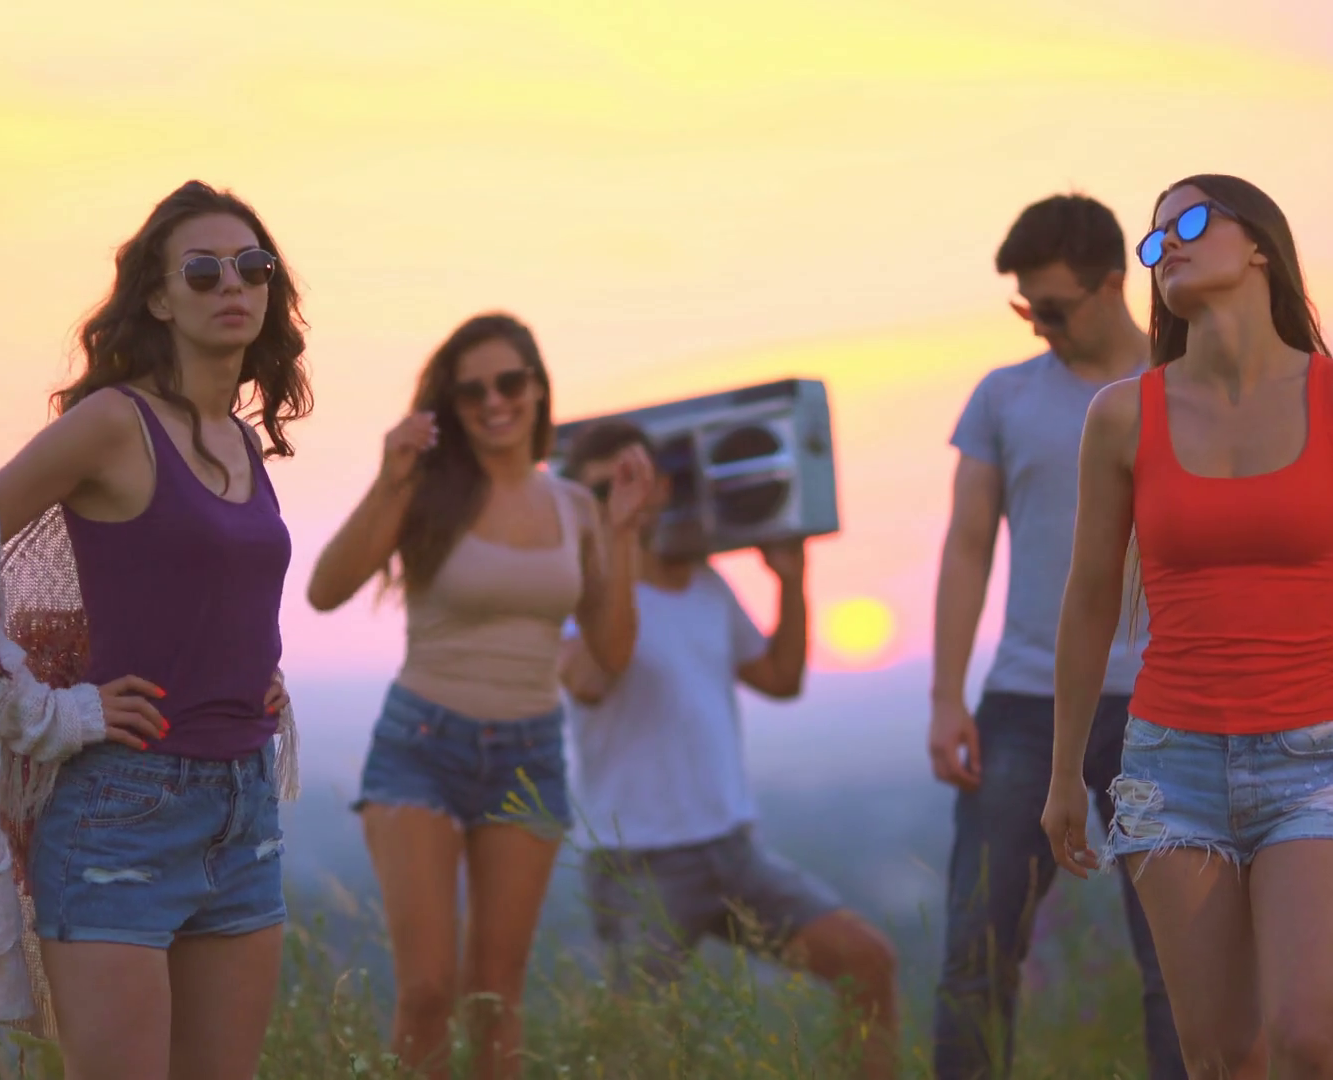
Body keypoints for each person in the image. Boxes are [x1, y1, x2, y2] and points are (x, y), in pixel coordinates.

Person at [0, 180, 309, 1080]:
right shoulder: (115, 424)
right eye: (202, 271)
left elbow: (205, 599)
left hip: (245, 813)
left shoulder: (238, 440)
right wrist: (54, 712)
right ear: (158, 299)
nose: (232, 283)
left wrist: (264, 679)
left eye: (253, 266)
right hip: (123, 816)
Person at [1042, 173, 1333, 1078]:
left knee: (1309, 1037)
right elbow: (1088, 601)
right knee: (1224, 1059)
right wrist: (1066, 769)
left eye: (1187, 222)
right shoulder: (1122, 417)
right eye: (1154, 243)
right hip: (1165, 769)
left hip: (1311, 763)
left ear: (1259, 242)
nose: (1167, 248)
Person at [305, 312, 651, 1080]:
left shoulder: (575, 509)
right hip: (421, 747)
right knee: (427, 991)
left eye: (509, 382)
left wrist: (623, 535)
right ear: (451, 408)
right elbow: (326, 591)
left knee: (497, 997)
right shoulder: (430, 489)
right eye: (472, 392)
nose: (494, 402)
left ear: (537, 389)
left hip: (528, 757)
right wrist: (388, 477)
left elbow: (613, 653)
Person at [556, 419, 902, 1080]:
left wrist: (790, 581)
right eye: (598, 490)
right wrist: (621, 542)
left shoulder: (705, 584)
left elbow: (779, 679)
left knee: (867, 961)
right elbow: (597, 675)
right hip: (638, 866)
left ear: (659, 486)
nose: (616, 499)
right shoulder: (577, 599)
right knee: (643, 1054)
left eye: (629, 481)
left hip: (731, 848)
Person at [928, 193, 1186, 1078]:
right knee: (975, 954)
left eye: (1054, 307)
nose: (1038, 327)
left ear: (1116, 283)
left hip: (1167, 704)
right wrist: (943, 698)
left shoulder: (1184, 387)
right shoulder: (1001, 398)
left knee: (1177, 965)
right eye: (1025, 309)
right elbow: (967, 547)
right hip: (1024, 708)